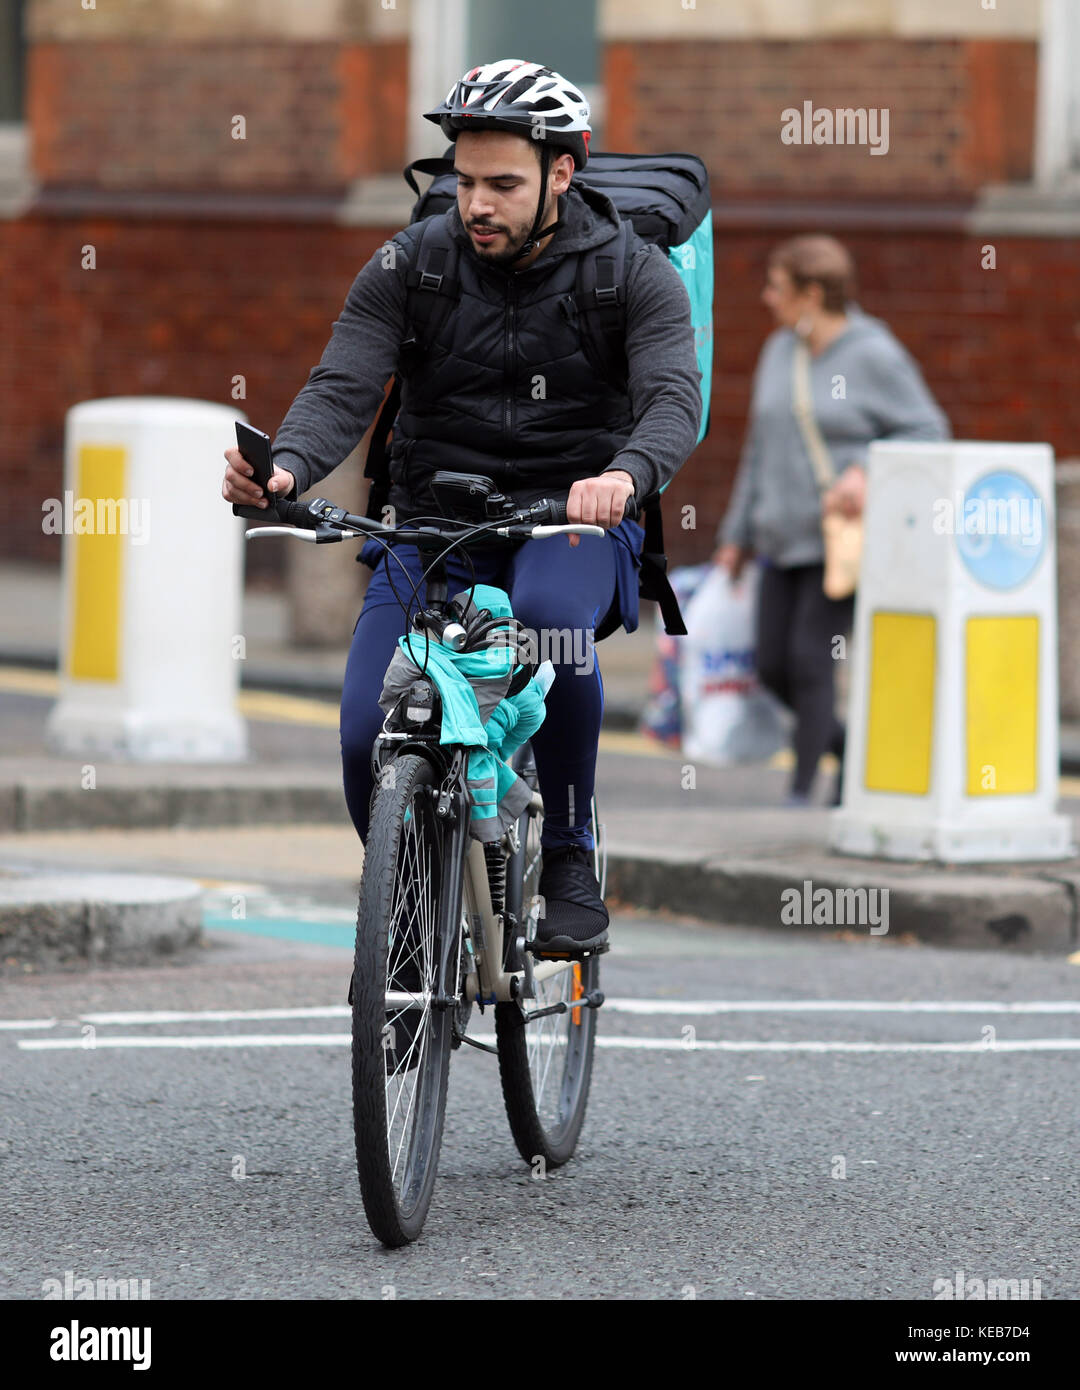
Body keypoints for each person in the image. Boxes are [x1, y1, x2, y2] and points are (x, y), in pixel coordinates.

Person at [222, 59, 702, 954]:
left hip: (570, 520)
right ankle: (408, 916)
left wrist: (626, 476)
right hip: (436, 521)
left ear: (564, 171)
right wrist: (286, 470)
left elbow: (676, 398)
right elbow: (343, 383)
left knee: (550, 622)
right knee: (371, 726)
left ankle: (565, 851)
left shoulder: (632, 275)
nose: (476, 204)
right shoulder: (412, 264)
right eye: (465, 181)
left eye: (503, 185)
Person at [714, 235, 949, 805]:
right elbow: (759, 448)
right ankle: (849, 747)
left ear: (812, 293)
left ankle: (802, 794)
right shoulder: (780, 353)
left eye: (777, 287)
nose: (768, 297)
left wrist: (865, 470)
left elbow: (927, 429)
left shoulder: (874, 353)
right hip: (779, 537)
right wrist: (736, 534)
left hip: (839, 543)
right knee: (771, 665)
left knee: (810, 659)